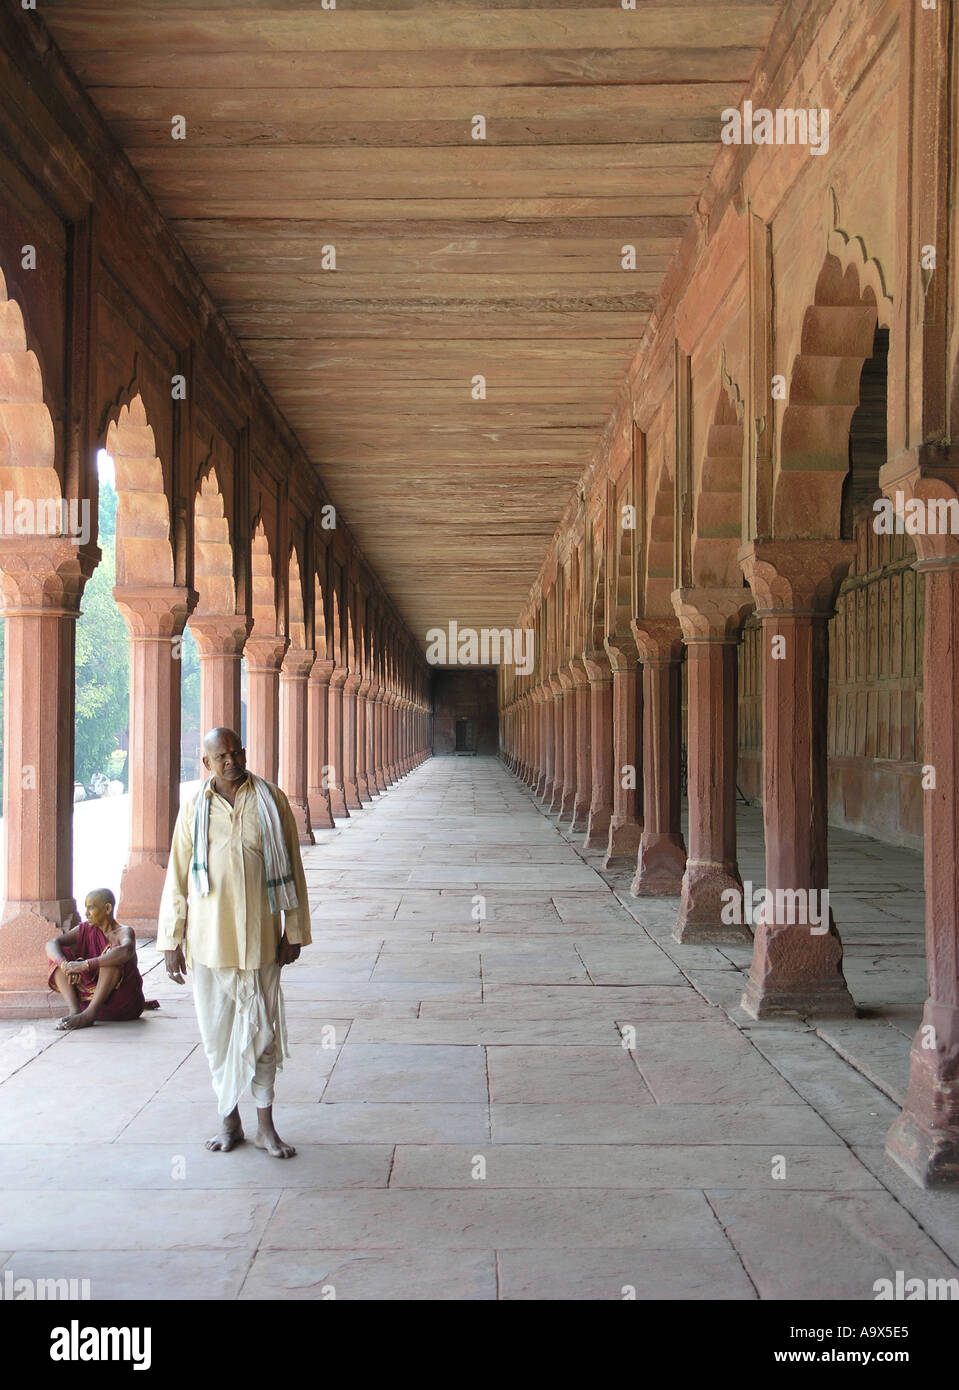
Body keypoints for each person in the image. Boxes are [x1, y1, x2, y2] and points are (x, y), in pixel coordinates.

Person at [157, 727, 311, 1159]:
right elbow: (178, 874)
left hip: (261, 938)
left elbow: (293, 870)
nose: (230, 761)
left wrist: (293, 931)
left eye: (235, 752)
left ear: (244, 752)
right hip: (209, 943)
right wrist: (170, 938)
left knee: (263, 1034)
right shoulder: (194, 807)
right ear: (206, 763)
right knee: (217, 1035)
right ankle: (229, 1122)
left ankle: (265, 1126)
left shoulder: (271, 800)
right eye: (220, 756)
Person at [46, 889, 159, 1030]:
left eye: (91, 907)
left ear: (107, 908)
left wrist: (85, 965)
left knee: (112, 957)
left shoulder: (124, 931)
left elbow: (126, 951)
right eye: (85, 908)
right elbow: (51, 943)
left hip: (122, 1004)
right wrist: (66, 965)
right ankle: (75, 1011)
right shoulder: (86, 928)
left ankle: (88, 1016)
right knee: (57, 955)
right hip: (88, 1002)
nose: (86, 913)